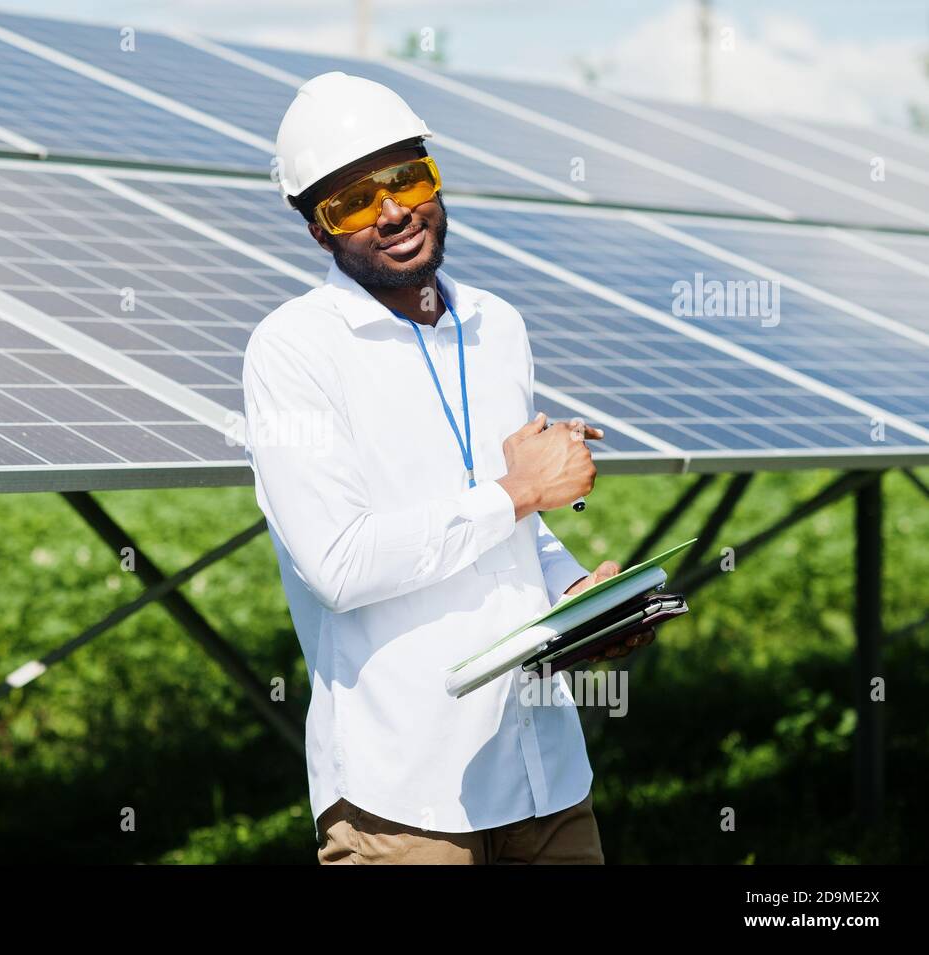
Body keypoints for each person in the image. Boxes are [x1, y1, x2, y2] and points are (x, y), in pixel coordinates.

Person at [241, 72, 654, 865]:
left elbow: (508, 528)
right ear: (318, 231)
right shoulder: (294, 350)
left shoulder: (498, 326)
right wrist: (521, 488)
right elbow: (340, 563)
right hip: (403, 795)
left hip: (546, 772)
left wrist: (575, 596)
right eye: (351, 202)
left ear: (433, 175)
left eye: (406, 177)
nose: (392, 210)